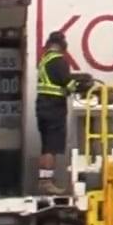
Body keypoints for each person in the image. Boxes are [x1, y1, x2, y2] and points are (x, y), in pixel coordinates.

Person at [35, 31, 95, 193]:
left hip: (42, 106)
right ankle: (46, 182)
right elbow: (69, 85)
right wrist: (84, 85)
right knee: (51, 148)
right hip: (54, 108)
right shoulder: (59, 61)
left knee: (46, 146)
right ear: (62, 45)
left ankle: (44, 179)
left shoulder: (44, 60)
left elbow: (55, 80)